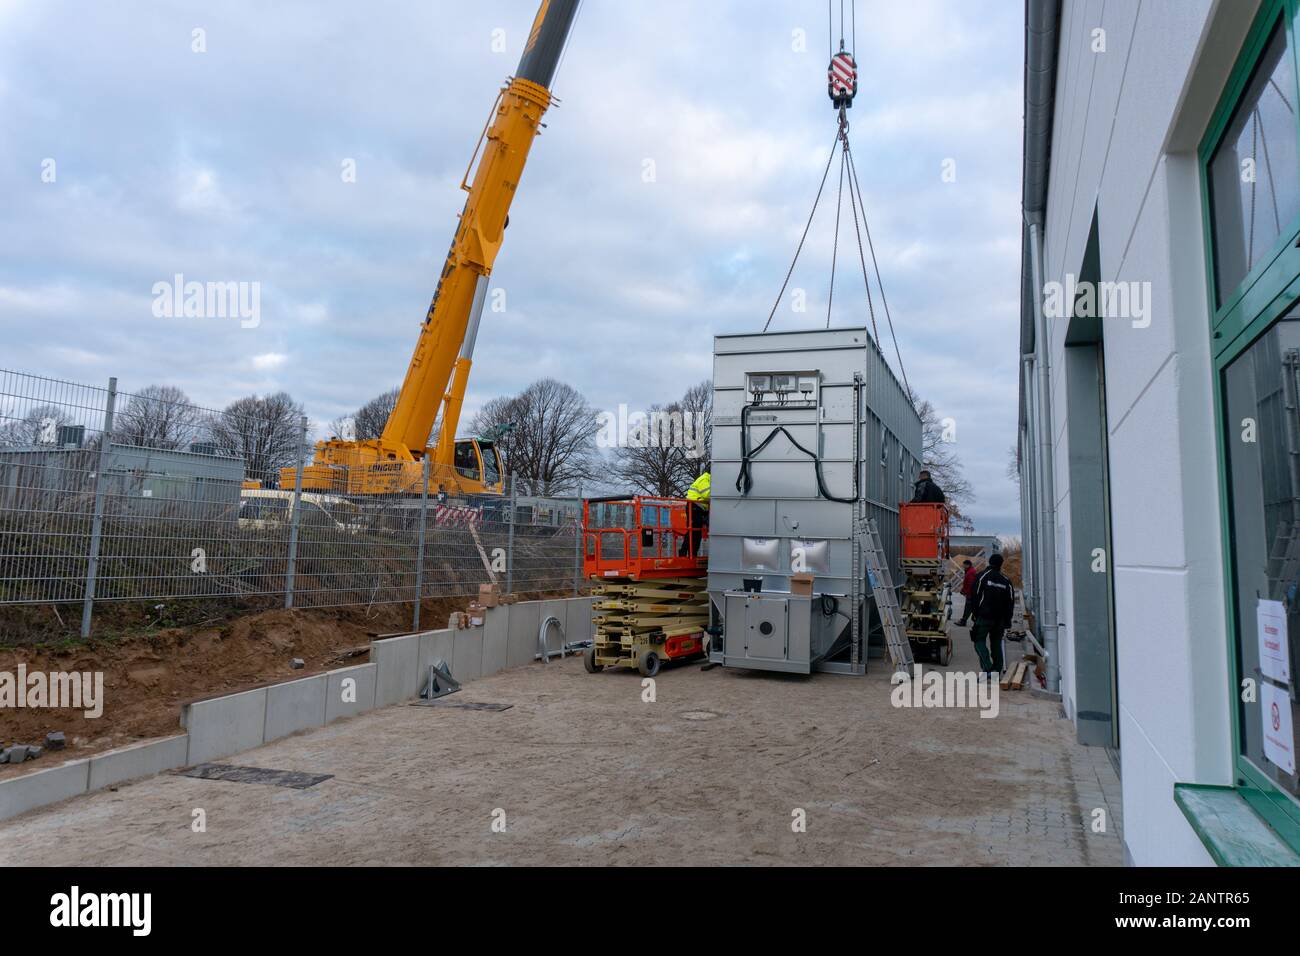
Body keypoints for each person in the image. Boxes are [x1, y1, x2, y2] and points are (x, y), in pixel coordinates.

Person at [967, 553, 1015, 677]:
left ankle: (988, 669)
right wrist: (1007, 621)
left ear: (989, 562)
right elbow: (1010, 602)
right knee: (996, 643)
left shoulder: (982, 576)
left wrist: (974, 614)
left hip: (984, 617)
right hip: (1000, 620)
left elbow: (975, 596)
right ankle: (996, 670)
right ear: (1001, 564)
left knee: (978, 640)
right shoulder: (1006, 581)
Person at [680, 469, 710, 557]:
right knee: (693, 531)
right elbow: (707, 494)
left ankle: (692, 554)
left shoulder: (708, 479)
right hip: (694, 506)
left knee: (696, 532)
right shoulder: (704, 479)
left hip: (699, 508)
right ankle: (684, 553)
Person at [956, 559, 979, 626]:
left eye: (964, 565)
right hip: (970, 593)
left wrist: (966, 592)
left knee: (968, 608)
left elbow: (970, 584)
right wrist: (963, 590)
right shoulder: (969, 571)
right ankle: (964, 620)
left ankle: (963, 621)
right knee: (970, 608)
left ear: (968, 565)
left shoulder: (971, 572)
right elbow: (966, 583)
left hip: (971, 594)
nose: (963, 566)